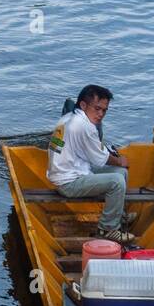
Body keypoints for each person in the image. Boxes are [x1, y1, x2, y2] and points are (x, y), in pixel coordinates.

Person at [47, 85, 134, 244]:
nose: (101, 114)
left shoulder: (67, 118)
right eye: (97, 109)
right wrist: (120, 160)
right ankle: (107, 229)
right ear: (83, 105)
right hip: (68, 183)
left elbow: (91, 153)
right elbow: (100, 159)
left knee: (121, 173)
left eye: (104, 110)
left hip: (65, 172)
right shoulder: (85, 126)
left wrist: (116, 163)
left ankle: (118, 214)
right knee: (117, 181)